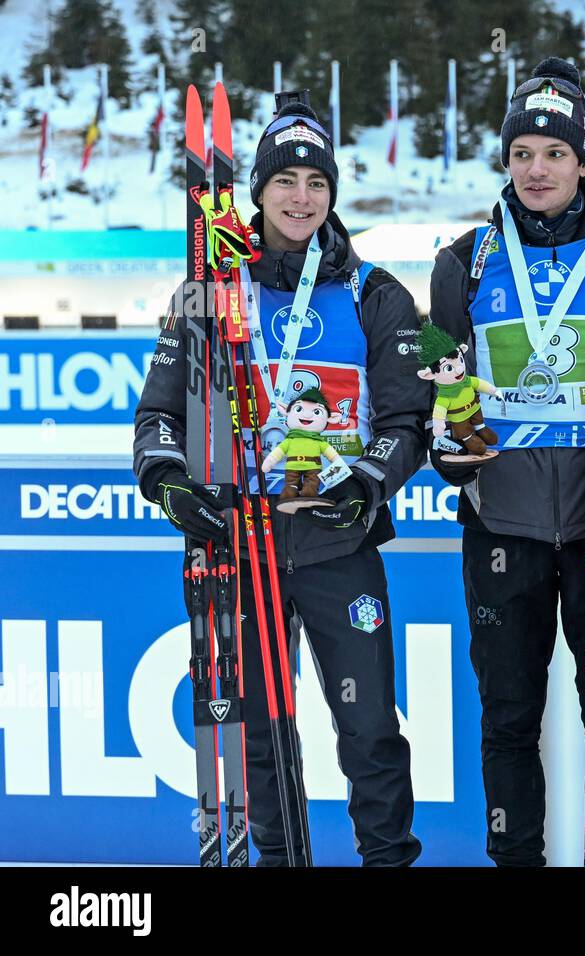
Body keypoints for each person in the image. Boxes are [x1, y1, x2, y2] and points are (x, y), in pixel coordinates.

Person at [133, 94, 426, 866]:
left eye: (316, 182)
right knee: (261, 734)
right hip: (241, 544)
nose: (301, 196)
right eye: (285, 179)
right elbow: (158, 416)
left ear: (332, 193)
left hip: (336, 544)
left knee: (368, 730)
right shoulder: (209, 292)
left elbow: (409, 423)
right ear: (258, 191)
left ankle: (388, 860)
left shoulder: (374, 293)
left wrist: (364, 486)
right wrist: (167, 481)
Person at [425, 56, 585, 866]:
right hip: (501, 521)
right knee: (508, 716)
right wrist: (449, 453)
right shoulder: (465, 261)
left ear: (584, 163)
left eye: (554, 154)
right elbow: (444, 390)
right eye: (521, 154)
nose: (536, 170)